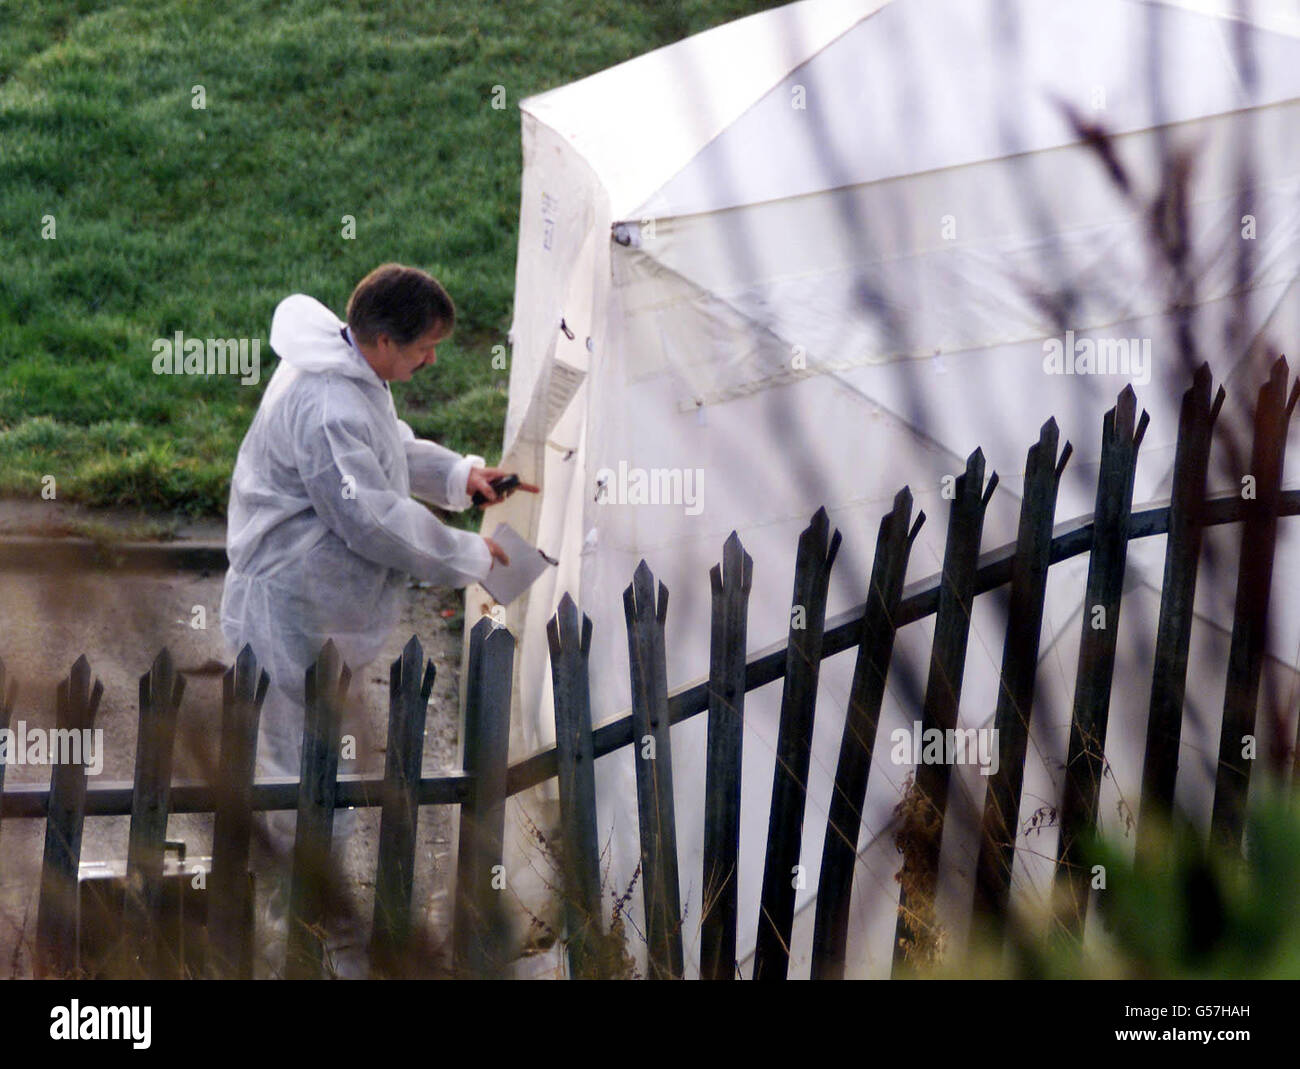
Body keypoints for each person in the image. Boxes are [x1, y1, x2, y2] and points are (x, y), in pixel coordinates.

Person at [218, 264, 536, 971]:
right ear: (383, 340)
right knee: (298, 785)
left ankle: (309, 933)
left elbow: (386, 450)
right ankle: (299, 943)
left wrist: (460, 476)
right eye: (424, 347)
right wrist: (471, 555)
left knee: (316, 771)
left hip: (313, 615)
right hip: (287, 614)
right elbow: (371, 518)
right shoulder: (327, 402)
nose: (430, 359)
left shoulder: (350, 369)